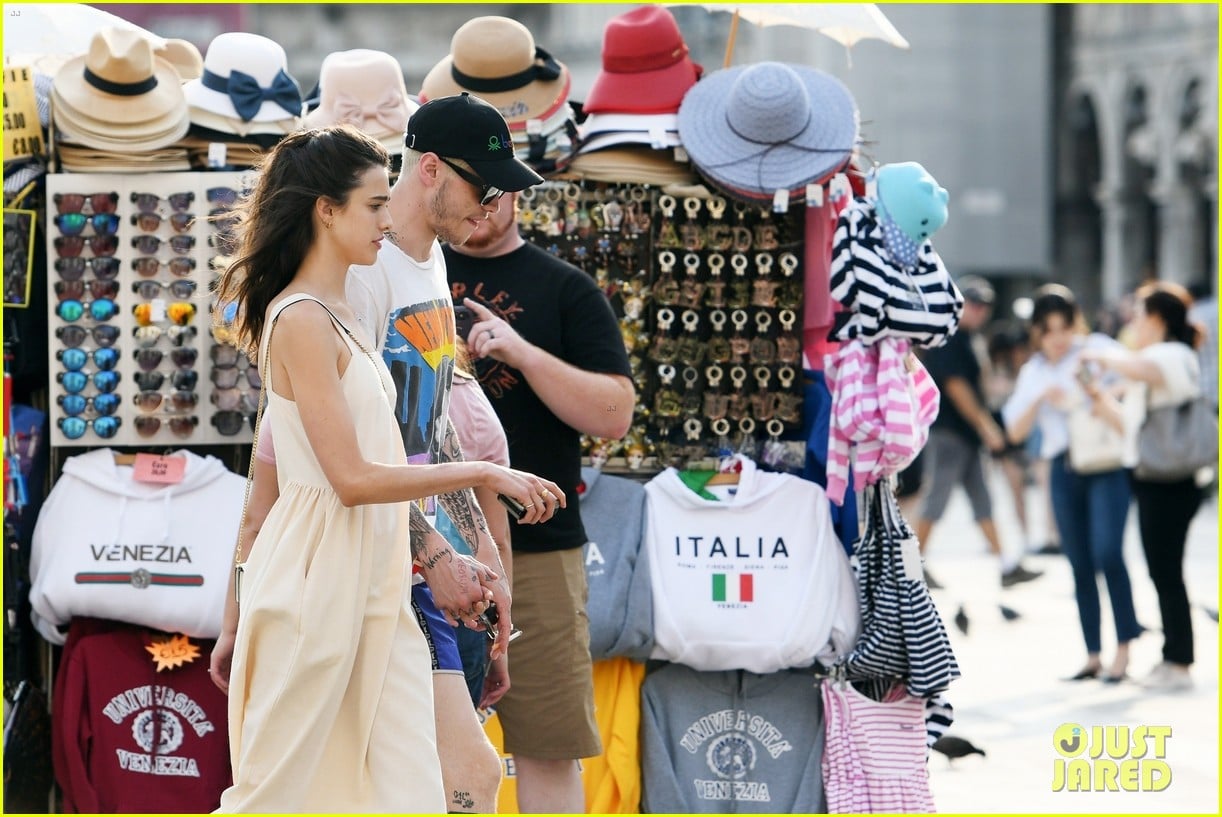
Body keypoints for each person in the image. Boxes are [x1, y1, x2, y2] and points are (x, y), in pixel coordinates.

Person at [209, 125, 564, 813]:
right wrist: (484, 477)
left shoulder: (341, 309)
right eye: (373, 205)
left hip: (375, 581)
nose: (385, 219)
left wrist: (470, 539)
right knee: (286, 799)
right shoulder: (301, 319)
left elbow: (403, 444)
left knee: (413, 792)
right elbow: (352, 478)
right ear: (326, 210)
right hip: (317, 581)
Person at [446, 192, 636, 813]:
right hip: (426, 548)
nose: (479, 205)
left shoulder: (566, 289)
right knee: (420, 740)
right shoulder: (408, 273)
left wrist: (520, 352)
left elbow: (614, 415)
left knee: (549, 745)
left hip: (539, 551)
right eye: (469, 187)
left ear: (516, 195)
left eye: (492, 192)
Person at [1002, 284, 1141, 684]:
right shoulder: (1034, 371)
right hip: (1063, 468)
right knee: (1079, 562)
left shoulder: (1096, 350)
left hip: (1106, 464)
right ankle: (1093, 654)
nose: (1058, 338)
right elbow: (1014, 431)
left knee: (1109, 553)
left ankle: (1124, 649)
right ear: (1037, 333)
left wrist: (1098, 392)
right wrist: (1040, 398)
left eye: (1064, 327)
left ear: (1075, 322)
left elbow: (1135, 383)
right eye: (1048, 330)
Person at [1082, 282, 1205, 691]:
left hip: (1171, 481)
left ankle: (1179, 663)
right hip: (1157, 478)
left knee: (1166, 571)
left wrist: (1101, 354)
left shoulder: (1172, 353)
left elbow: (1144, 369)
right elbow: (1133, 431)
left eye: (1137, 315)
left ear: (1156, 318)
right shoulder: (1157, 357)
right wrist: (1101, 399)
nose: (1133, 323)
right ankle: (1174, 658)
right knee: (1163, 570)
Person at [914, 276, 1043, 589]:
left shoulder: (970, 338)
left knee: (982, 500)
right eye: (973, 303)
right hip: (949, 433)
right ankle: (911, 567)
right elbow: (957, 388)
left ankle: (1007, 565)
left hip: (966, 436)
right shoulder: (950, 337)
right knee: (935, 502)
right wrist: (987, 428)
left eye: (984, 304)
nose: (979, 310)